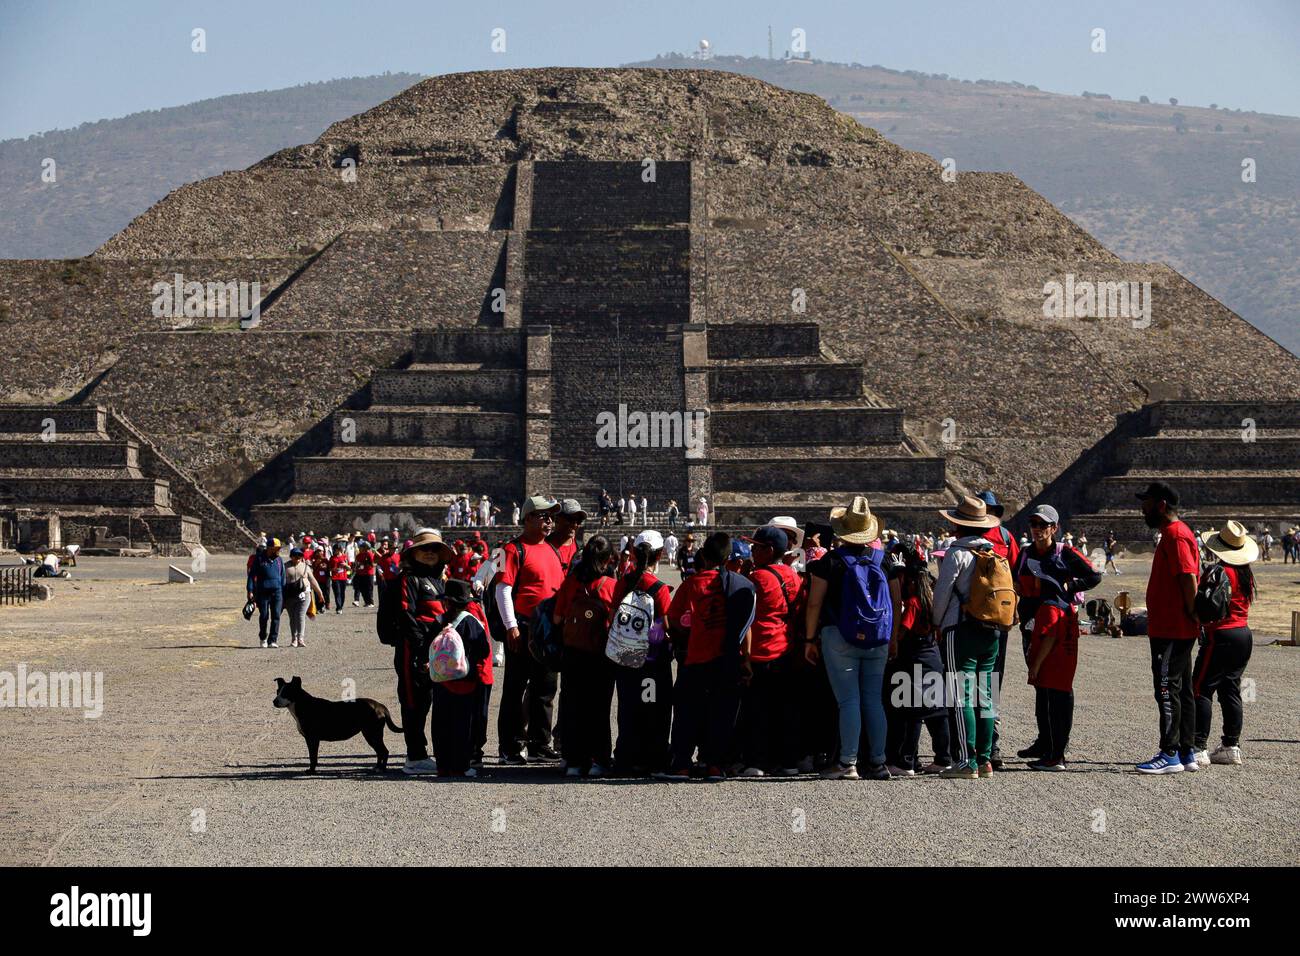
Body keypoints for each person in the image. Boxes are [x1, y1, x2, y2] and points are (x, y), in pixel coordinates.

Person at [804, 496, 898, 781]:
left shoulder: (829, 562)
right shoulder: (885, 561)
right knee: (873, 700)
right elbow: (896, 603)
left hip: (839, 636)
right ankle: (879, 762)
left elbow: (814, 604)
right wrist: (893, 637)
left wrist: (809, 639)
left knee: (849, 701)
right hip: (879, 637)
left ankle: (848, 762)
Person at [660, 532, 754, 781]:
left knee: (687, 712)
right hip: (727, 657)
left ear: (702, 555)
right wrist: (746, 658)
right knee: (721, 712)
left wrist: (684, 635)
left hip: (696, 657)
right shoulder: (738, 584)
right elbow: (746, 626)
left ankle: (681, 763)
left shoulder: (691, 584)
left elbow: (672, 620)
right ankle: (714, 764)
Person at [1014, 505, 1101, 770]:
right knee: (1040, 682)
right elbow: (1017, 582)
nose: (1037, 529)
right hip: (1031, 625)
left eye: (1043, 525)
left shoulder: (1066, 553)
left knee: (1058, 685)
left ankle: (1056, 750)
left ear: (1054, 528)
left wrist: (1070, 586)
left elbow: (1094, 575)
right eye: (1034, 524)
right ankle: (1045, 741)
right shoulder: (1026, 553)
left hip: (1056, 624)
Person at [931, 495, 1006, 779]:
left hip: (960, 630)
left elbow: (942, 595)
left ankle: (965, 761)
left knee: (961, 696)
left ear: (958, 527)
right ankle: (985, 759)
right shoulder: (995, 555)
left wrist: (936, 623)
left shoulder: (956, 553)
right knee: (986, 696)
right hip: (991, 630)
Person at [1135, 482, 1203, 775]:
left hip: (1172, 629)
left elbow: (1188, 578)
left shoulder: (1175, 535)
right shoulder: (1174, 534)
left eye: (1147, 502)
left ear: (1161, 505)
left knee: (1166, 688)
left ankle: (1169, 752)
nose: (1142, 508)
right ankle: (1187, 751)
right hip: (1174, 626)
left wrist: (1190, 614)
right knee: (1182, 690)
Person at [494, 496, 565, 764]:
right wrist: (511, 626)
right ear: (526, 519)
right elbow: (503, 589)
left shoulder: (552, 550)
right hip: (523, 628)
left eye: (551, 516)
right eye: (542, 515)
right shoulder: (511, 549)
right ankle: (510, 746)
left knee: (545, 689)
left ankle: (539, 743)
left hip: (547, 633)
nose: (549, 520)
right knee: (515, 687)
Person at [385, 528, 454, 775]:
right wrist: (421, 652)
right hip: (414, 651)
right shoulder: (409, 579)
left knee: (433, 700)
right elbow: (406, 616)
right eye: (424, 548)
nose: (430, 553)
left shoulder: (439, 580)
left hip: (438, 651)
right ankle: (415, 755)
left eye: (435, 549)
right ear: (414, 553)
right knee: (414, 700)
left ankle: (429, 751)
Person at [738, 525, 804, 776]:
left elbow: (747, 616)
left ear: (769, 550)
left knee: (758, 709)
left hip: (761, 650)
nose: (752, 550)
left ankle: (757, 761)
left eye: (756, 547)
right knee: (786, 709)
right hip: (786, 647)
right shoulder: (791, 575)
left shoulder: (758, 578)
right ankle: (788, 761)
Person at [1192, 521, 1257, 767]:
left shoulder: (1218, 571)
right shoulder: (1245, 573)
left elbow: (1204, 603)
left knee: (1200, 688)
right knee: (1230, 689)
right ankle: (1231, 744)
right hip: (1243, 633)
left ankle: (1198, 745)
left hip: (1221, 634)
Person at [553, 535, 618, 776]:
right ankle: (599, 759)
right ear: (608, 559)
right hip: (601, 655)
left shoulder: (571, 583)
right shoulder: (611, 585)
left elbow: (557, 619)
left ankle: (573, 760)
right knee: (599, 708)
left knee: (573, 706)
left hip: (573, 653)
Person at [884, 544, 952, 775]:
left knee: (911, 711)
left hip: (915, 658)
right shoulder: (932, 598)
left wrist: (891, 641)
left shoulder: (913, 603)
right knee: (937, 712)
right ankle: (944, 757)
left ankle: (906, 761)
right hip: (933, 655)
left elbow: (902, 631)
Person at [611, 530, 674, 776]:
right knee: (654, 706)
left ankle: (627, 754)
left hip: (626, 655)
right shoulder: (658, 587)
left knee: (628, 705)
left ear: (635, 553)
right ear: (659, 555)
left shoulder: (623, 582)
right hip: (652, 659)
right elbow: (667, 625)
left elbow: (613, 613)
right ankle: (654, 754)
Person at [428, 578, 492, 777]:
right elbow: (484, 650)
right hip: (465, 680)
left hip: (441, 680)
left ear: (446, 602)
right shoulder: (471, 622)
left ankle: (443, 765)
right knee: (462, 724)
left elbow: (426, 647)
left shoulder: (438, 621)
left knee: (440, 723)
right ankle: (461, 766)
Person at [975, 490, 1019, 769]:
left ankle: (978, 747)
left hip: (974, 620)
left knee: (970, 684)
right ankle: (990, 747)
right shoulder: (1006, 538)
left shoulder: (967, 539)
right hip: (999, 622)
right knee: (991, 683)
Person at [283, 547, 326, 648]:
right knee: (292, 617)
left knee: (300, 614)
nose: (297, 558)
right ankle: (294, 639)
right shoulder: (285, 567)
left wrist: (320, 593)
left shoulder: (306, 567)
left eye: (299, 556)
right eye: (295, 556)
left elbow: (313, 580)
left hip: (304, 594)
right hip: (289, 595)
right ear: (291, 556)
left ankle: (300, 639)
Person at [247, 537, 286, 648]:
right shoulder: (259, 559)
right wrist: (250, 590)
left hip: (277, 592)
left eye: (279, 548)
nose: (278, 550)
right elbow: (251, 575)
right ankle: (263, 637)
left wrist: (283, 592)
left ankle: (272, 640)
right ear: (269, 548)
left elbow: (282, 577)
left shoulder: (279, 560)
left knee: (276, 616)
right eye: (276, 548)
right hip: (263, 592)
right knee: (264, 615)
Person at [547, 499, 586, 573]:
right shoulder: (544, 545)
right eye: (570, 519)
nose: (575, 525)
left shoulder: (580, 548)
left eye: (578, 521)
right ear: (557, 519)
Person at [328, 536, 351, 614]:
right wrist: (334, 569)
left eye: (337, 550)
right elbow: (329, 568)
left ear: (340, 550)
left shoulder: (344, 557)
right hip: (335, 578)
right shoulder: (332, 558)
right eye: (335, 550)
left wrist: (345, 565)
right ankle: (338, 607)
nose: (336, 551)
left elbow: (349, 568)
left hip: (343, 577)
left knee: (342, 593)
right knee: (337, 592)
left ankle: (341, 606)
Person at [352, 540, 377, 607]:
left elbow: (373, 564)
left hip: (369, 573)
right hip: (360, 574)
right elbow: (356, 564)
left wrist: (365, 564)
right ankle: (366, 602)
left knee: (369, 588)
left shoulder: (369, 554)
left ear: (365, 548)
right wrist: (356, 566)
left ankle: (371, 603)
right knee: (362, 588)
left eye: (361, 547)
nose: (360, 548)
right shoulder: (358, 555)